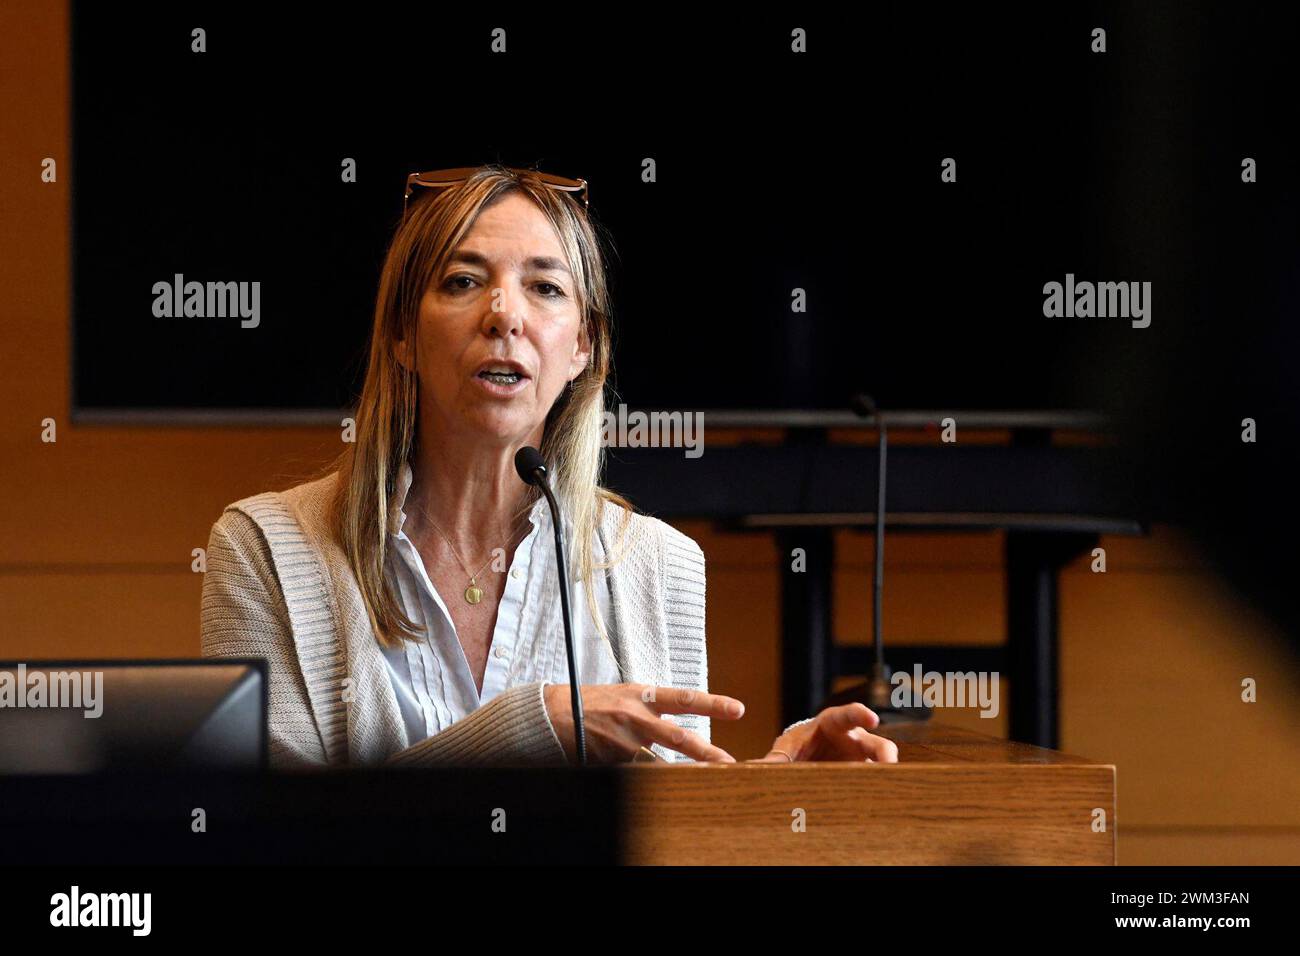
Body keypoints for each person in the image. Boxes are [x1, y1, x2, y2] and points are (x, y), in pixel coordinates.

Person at [200, 164, 899, 768]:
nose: (504, 314)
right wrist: (534, 725)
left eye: (545, 288)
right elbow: (272, 833)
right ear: (403, 335)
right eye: (463, 280)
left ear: (582, 347)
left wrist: (773, 789)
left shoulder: (660, 565)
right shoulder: (267, 551)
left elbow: (665, 836)